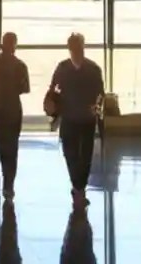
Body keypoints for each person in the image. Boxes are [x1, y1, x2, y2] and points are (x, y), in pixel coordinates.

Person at [49, 33, 104, 207]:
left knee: (83, 155)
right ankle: (78, 186)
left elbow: (100, 95)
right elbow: (53, 91)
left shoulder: (70, 68)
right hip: (72, 117)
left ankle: (79, 187)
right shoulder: (89, 69)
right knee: (72, 154)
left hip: (83, 118)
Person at [0, 32, 30, 197]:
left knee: (1, 145)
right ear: (14, 45)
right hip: (14, 109)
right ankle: (10, 182)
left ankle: (5, 178)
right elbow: (25, 88)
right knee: (13, 145)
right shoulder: (20, 65)